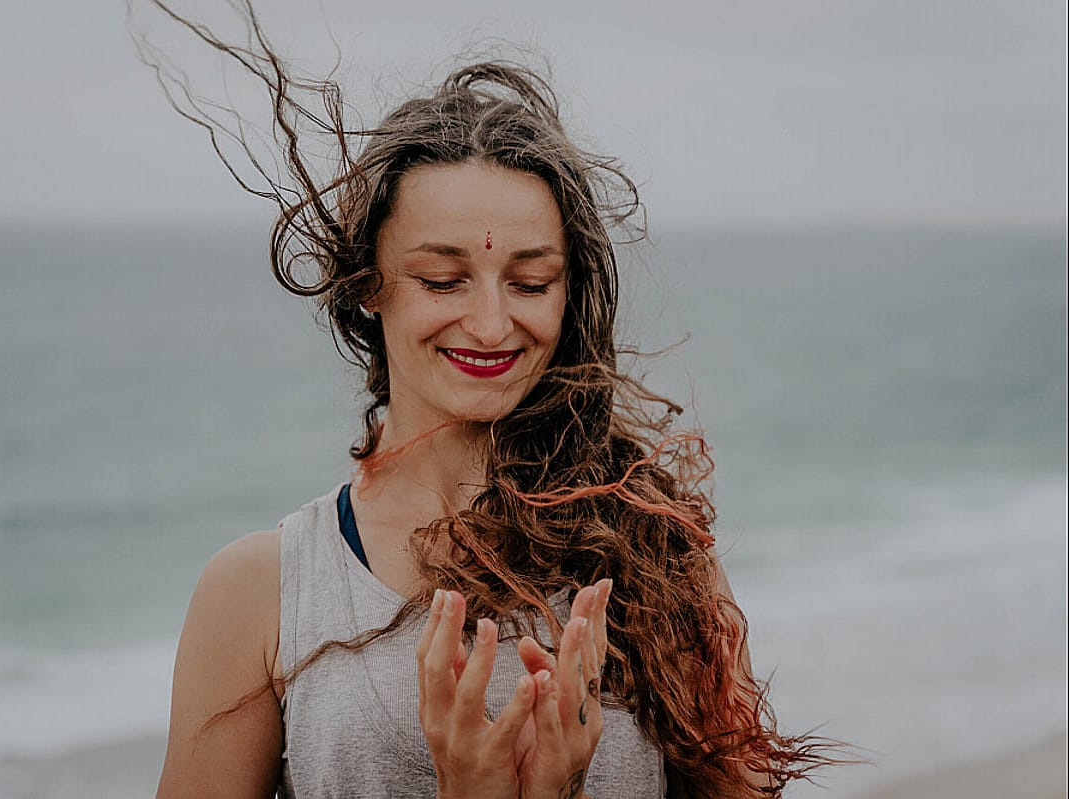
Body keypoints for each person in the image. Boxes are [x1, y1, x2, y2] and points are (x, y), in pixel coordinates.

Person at [137, 5, 835, 797]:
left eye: (531, 282)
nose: (494, 323)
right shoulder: (261, 594)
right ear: (370, 282)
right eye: (443, 280)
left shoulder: (656, 556)